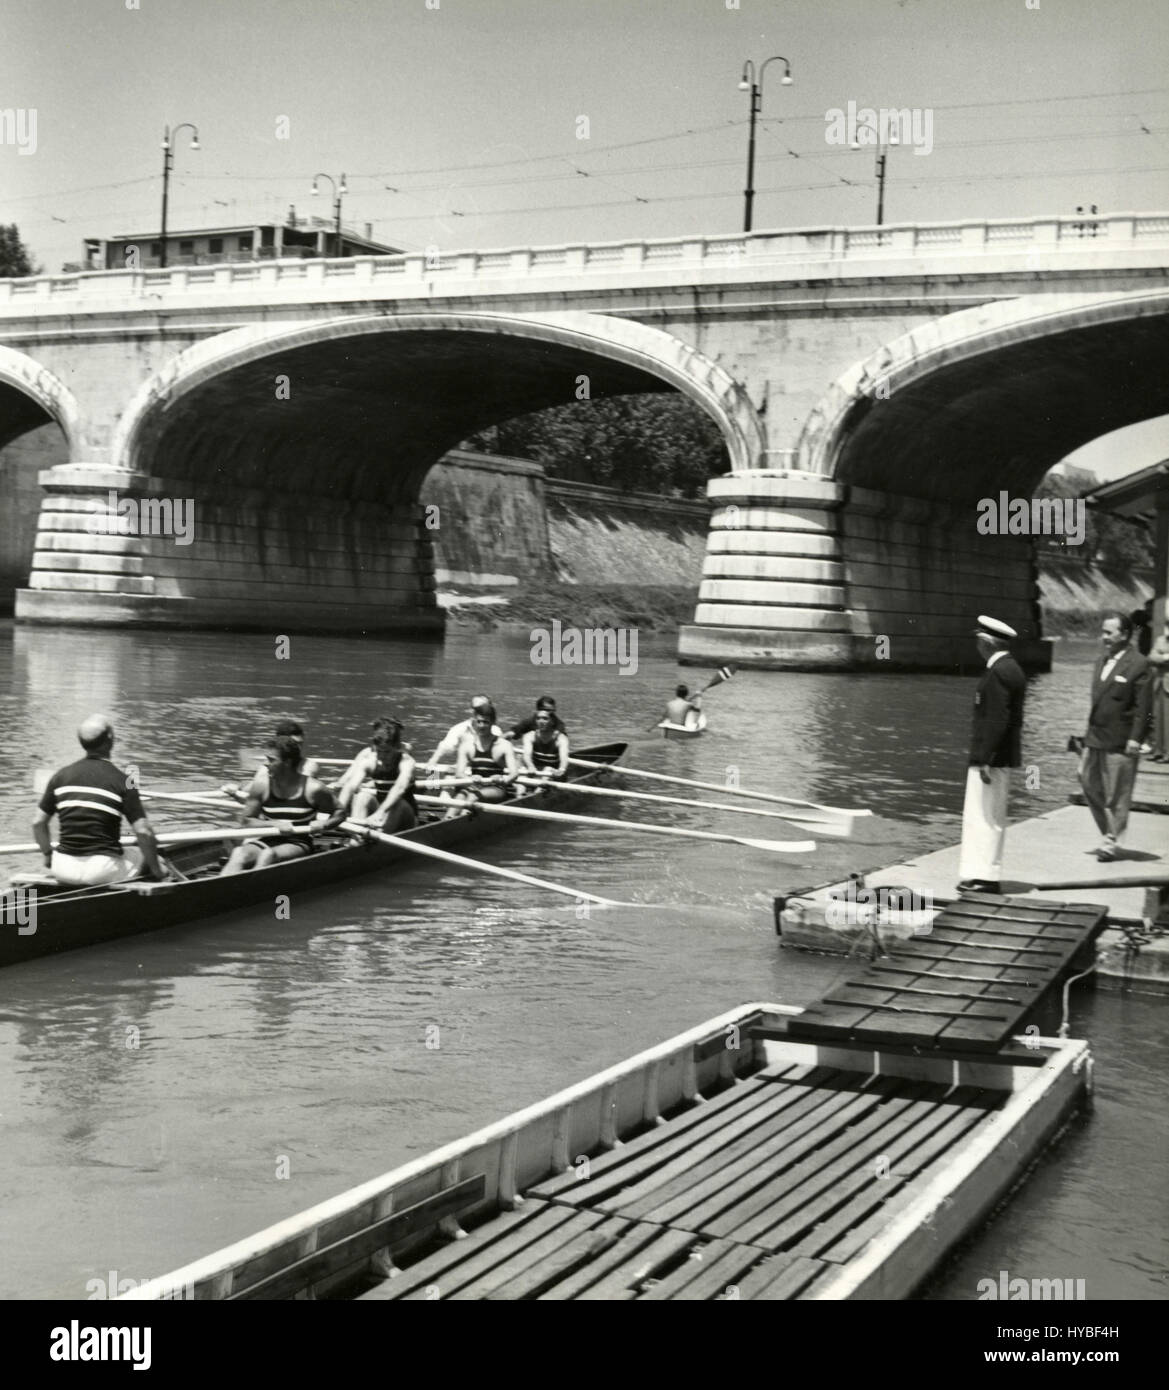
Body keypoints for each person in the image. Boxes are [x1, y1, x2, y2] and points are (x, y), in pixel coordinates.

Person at [33, 715, 168, 887]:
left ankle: (23, 912)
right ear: (111, 740)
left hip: (63, 869)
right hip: (103, 871)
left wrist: (47, 855)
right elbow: (143, 832)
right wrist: (157, 870)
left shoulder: (59, 777)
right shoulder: (124, 781)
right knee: (153, 857)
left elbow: (37, 823)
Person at [956, 616, 1027, 894]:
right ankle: (980, 873)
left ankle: (985, 877)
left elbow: (996, 719)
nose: (977, 645)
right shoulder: (1009, 668)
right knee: (986, 815)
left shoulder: (998, 672)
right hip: (997, 755)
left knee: (984, 816)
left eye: (979, 640)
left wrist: (985, 758)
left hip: (991, 758)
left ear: (986, 643)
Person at [1078, 612, 1152, 860]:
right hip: (1095, 736)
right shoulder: (1100, 661)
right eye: (1103, 632)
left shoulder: (1138, 663)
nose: (1104, 637)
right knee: (1086, 781)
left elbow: (1145, 708)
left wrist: (1136, 738)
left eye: (1109, 633)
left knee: (1117, 793)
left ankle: (1110, 841)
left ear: (1125, 634)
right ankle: (1108, 831)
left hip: (1120, 739)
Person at [219, 734, 337, 875]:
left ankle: (246, 891)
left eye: (271, 760)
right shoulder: (261, 786)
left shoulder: (314, 788)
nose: (265, 764)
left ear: (287, 762)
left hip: (298, 842)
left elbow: (340, 812)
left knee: (267, 855)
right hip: (269, 837)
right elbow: (245, 820)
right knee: (238, 853)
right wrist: (275, 824)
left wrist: (325, 824)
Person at [333, 717, 417, 831]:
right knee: (362, 796)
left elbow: (399, 788)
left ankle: (376, 837)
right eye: (379, 751)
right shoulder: (369, 760)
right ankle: (357, 835)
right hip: (381, 811)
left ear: (397, 748)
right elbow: (350, 786)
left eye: (387, 752)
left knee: (398, 804)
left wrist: (381, 812)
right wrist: (338, 810)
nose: (382, 756)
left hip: (406, 816)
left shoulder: (406, 762)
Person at [221, 718, 322, 803]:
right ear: (279, 742)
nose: (298, 749)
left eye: (300, 744)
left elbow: (295, 798)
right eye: (294, 744)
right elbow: (252, 793)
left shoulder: (309, 766)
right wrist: (237, 789)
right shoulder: (266, 768)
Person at [453, 703, 519, 804]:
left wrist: (502, 780)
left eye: (485, 722)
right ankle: (449, 818)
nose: (481, 726)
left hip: (496, 788)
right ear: (474, 721)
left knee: (472, 796)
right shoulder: (466, 745)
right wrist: (470, 778)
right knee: (460, 797)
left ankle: (461, 818)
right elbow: (459, 774)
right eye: (479, 721)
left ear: (493, 722)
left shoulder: (504, 745)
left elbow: (514, 774)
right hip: (475, 786)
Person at [424, 695, 502, 775]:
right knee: (433, 774)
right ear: (472, 711)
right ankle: (432, 786)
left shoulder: (496, 731)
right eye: (475, 708)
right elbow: (446, 747)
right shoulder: (459, 729)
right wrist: (433, 761)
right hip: (462, 771)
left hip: (488, 772)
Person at [520, 708, 570, 779]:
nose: (541, 721)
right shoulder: (529, 736)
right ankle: (521, 790)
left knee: (547, 769)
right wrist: (530, 766)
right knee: (523, 770)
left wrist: (562, 769)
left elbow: (564, 758)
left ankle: (539, 789)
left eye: (545, 718)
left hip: (554, 773)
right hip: (535, 770)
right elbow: (527, 756)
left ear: (552, 721)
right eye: (538, 718)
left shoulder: (561, 739)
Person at [1148, 613, 1169, 761]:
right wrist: (1165, 657)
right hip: (1159, 684)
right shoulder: (1160, 640)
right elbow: (1151, 657)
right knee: (1157, 717)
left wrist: (1160, 657)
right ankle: (1158, 751)